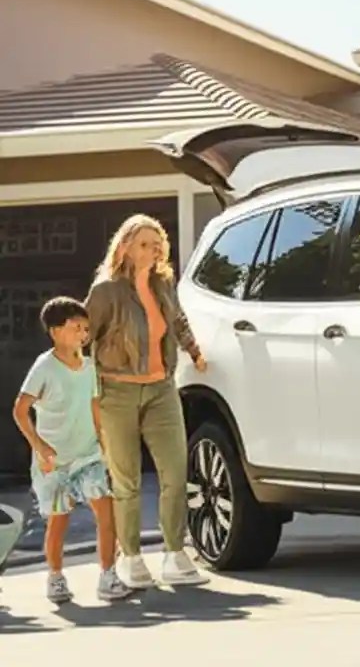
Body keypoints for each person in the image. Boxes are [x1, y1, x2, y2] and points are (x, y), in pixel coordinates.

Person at [86, 214, 208, 589]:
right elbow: (85, 339)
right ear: (124, 247)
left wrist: (195, 352)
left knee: (175, 471)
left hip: (161, 389)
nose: (153, 251)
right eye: (144, 244)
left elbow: (178, 321)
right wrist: (84, 394)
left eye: (157, 244)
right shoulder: (106, 291)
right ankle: (132, 558)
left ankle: (175, 553)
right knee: (127, 480)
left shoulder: (163, 283)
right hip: (116, 391)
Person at [11, 297, 131, 603]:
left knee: (106, 513)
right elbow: (20, 410)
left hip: (88, 456)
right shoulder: (44, 367)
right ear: (55, 331)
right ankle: (55, 576)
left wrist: (105, 449)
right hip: (55, 462)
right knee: (59, 519)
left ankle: (108, 575)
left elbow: (94, 407)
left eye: (86, 328)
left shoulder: (89, 367)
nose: (83, 334)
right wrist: (39, 447)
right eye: (76, 327)